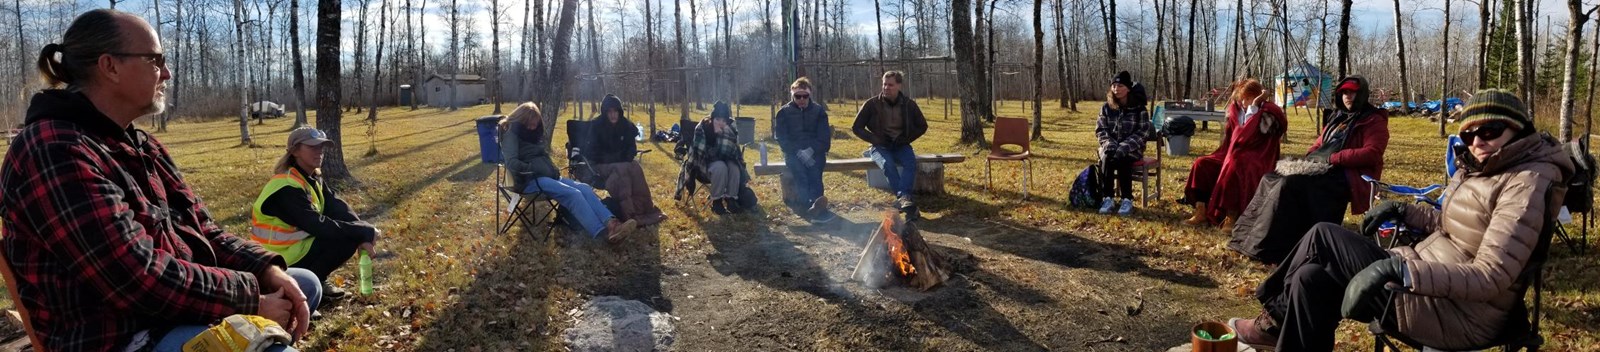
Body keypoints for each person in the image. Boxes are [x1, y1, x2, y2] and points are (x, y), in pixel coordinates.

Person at [0, 9, 316, 351]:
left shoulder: (140, 144)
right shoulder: (54, 149)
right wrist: (250, 300)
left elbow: (204, 229)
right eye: (155, 60)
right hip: (121, 337)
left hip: (165, 312)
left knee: (302, 283)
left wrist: (265, 269)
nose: (166, 73)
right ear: (110, 66)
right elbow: (135, 278)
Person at [1229, 89, 1572, 351]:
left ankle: (1272, 318)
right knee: (1310, 278)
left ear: (1517, 129)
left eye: (1490, 130)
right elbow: (1451, 225)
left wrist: (1402, 271)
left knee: (1324, 235)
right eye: (1469, 135)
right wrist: (1404, 210)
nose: (1478, 141)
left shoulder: (1525, 182)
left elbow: (1491, 276)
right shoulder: (1485, 167)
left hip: (1457, 311)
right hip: (1428, 280)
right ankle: (1274, 325)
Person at [1227, 75, 1390, 264]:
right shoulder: (1338, 117)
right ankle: (1244, 239)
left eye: (1353, 92)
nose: (1348, 96)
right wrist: (1313, 156)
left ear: (1362, 94)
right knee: (1270, 178)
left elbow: (1373, 153)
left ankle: (1270, 248)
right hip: (1324, 168)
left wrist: (1333, 158)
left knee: (1290, 184)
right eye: (1344, 92)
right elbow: (1318, 144)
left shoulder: (1373, 120)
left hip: (1349, 176)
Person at [251, 127, 380, 301]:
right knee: (345, 238)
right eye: (313, 147)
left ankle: (315, 282)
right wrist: (362, 232)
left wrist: (363, 233)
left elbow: (337, 207)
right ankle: (300, 291)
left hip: (294, 250)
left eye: (322, 147)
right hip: (275, 260)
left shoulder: (310, 177)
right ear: (295, 151)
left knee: (348, 235)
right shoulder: (286, 187)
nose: (320, 151)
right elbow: (317, 225)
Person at [500, 102, 638, 243]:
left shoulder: (532, 135)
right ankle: (600, 233)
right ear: (522, 120)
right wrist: (532, 168)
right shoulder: (511, 134)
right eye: (529, 124)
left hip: (547, 177)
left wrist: (551, 168)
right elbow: (511, 163)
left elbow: (542, 156)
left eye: (535, 124)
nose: (532, 127)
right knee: (573, 194)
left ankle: (612, 224)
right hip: (529, 181)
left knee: (584, 188)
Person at [1182, 78, 1287, 227]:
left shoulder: (1269, 113)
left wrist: (1254, 107)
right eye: (1242, 98)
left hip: (1257, 156)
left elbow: (1244, 137)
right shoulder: (1235, 110)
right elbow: (1233, 139)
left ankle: (1232, 214)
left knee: (1236, 164)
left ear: (1257, 96)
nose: (1244, 102)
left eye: (1248, 98)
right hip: (1230, 153)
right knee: (1202, 164)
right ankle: (1201, 211)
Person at [852, 71, 929, 219]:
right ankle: (905, 199)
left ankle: (903, 199)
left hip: (901, 144)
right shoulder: (872, 104)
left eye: (890, 85)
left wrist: (906, 139)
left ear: (899, 85)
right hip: (880, 146)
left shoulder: (908, 104)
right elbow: (856, 127)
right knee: (887, 164)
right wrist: (875, 139)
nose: (886, 88)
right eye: (884, 84)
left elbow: (922, 126)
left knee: (910, 162)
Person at [589, 94, 668, 226]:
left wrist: (623, 158)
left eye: (615, 111)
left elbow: (631, 150)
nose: (613, 115)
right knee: (622, 169)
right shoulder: (596, 126)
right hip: (601, 165)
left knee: (635, 166)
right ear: (605, 113)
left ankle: (645, 209)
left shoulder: (626, 126)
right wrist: (617, 158)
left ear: (620, 112)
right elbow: (594, 153)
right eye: (609, 112)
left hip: (622, 163)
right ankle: (629, 214)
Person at [773, 77, 832, 221]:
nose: (801, 99)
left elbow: (824, 138)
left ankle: (816, 206)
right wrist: (798, 152)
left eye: (805, 96)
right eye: (797, 96)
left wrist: (810, 151)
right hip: (793, 153)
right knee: (800, 174)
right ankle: (809, 207)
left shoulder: (819, 111)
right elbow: (781, 138)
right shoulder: (783, 112)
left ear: (809, 94)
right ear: (792, 95)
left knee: (815, 173)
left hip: (815, 152)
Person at [1094, 71, 1151, 216]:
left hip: (1132, 149)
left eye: (1120, 86)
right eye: (1114, 85)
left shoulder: (1139, 109)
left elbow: (1143, 133)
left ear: (1128, 89)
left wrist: (1124, 147)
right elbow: (1101, 129)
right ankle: (1108, 198)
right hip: (1110, 146)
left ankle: (1127, 199)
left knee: (1123, 157)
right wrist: (1109, 145)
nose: (1116, 89)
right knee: (1107, 157)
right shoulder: (1106, 107)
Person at [691, 102, 751, 214]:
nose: (720, 123)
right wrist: (717, 138)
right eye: (717, 119)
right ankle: (717, 201)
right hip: (703, 166)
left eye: (724, 121)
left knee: (734, 167)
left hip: (725, 161)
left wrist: (725, 135)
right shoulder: (702, 128)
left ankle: (731, 199)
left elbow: (733, 153)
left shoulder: (730, 129)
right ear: (712, 118)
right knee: (720, 167)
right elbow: (700, 155)